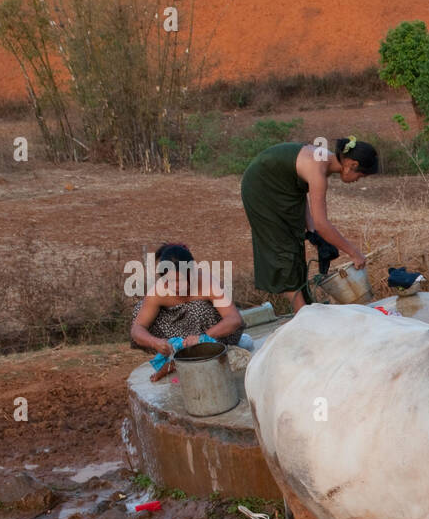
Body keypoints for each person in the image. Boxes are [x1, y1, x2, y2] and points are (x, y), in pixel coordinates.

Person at [241, 136, 379, 312]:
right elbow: (323, 223)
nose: (359, 179)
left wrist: (313, 232)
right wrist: (354, 253)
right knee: (282, 249)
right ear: (352, 164)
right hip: (261, 189)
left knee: (296, 243)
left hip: (284, 189)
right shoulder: (318, 170)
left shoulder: (323, 160)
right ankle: (303, 315)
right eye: (361, 174)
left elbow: (299, 191)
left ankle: (307, 308)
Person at [131, 243, 250, 382]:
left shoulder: (208, 283)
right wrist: (155, 342)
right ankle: (176, 360)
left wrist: (203, 337)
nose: (176, 286)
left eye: (180, 280)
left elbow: (234, 319)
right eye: (170, 281)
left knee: (198, 308)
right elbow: (137, 329)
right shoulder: (157, 292)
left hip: (212, 334)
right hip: (180, 337)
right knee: (140, 309)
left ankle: (212, 351)